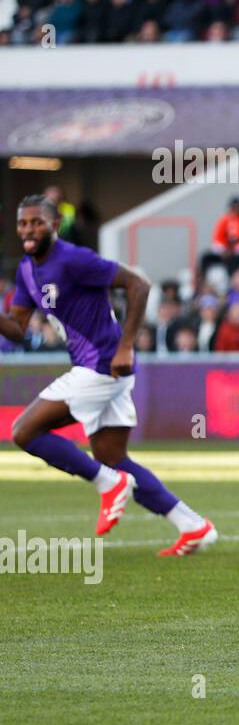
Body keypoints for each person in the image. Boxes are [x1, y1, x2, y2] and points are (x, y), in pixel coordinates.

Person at [0, 196, 217, 555]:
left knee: (24, 431)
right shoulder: (26, 270)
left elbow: (138, 284)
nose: (28, 229)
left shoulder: (73, 259)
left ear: (54, 226)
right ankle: (193, 526)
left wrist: (127, 345)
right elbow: (18, 329)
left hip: (102, 364)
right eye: (23, 223)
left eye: (37, 222)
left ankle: (107, 483)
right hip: (97, 367)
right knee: (114, 457)